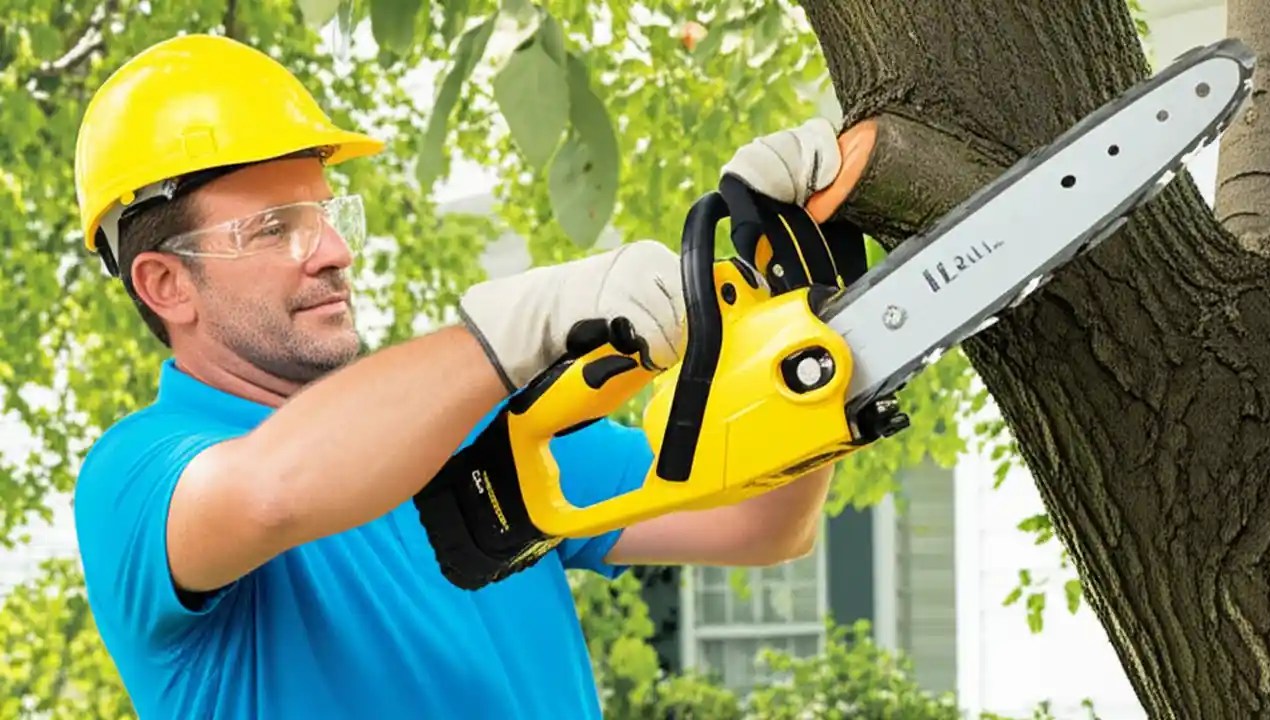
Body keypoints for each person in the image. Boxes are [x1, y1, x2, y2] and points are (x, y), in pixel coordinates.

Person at [71, 33, 849, 720]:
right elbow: (274, 492)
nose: (335, 252)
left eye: (328, 215)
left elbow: (761, 524)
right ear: (165, 284)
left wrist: (805, 320)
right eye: (276, 229)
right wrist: (521, 320)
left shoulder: (473, 424)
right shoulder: (136, 475)